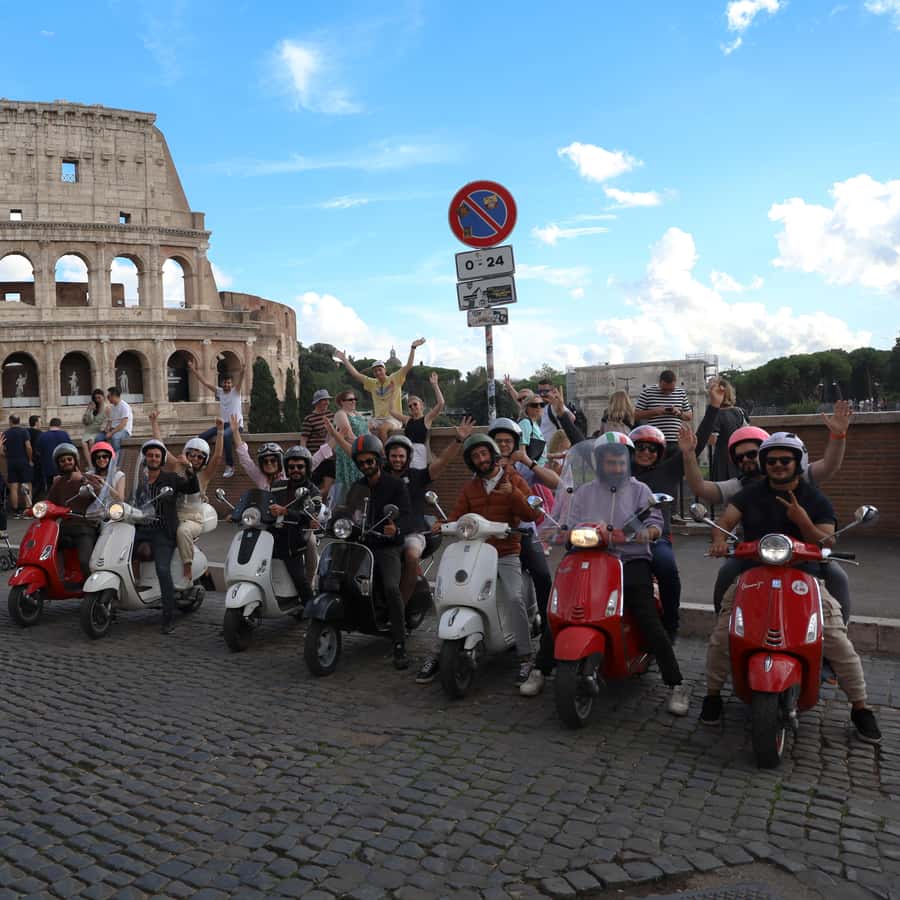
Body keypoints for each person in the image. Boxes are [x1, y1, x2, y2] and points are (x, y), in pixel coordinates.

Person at [700, 432, 881, 744]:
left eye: (785, 460)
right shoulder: (750, 493)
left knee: (836, 637)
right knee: (722, 634)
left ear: (798, 462)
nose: (778, 465)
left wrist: (802, 520)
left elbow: (827, 540)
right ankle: (713, 695)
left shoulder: (814, 498)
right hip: (754, 573)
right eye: (771, 461)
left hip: (804, 575)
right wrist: (718, 540)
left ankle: (860, 707)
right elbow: (727, 521)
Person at [681, 401, 854, 617]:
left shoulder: (802, 480)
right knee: (727, 573)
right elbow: (705, 495)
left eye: (752, 454)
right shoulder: (743, 489)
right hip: (754, 554)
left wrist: (838, 436)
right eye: (740, 457)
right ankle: (724, 619)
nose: (746, 460)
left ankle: (839, 624)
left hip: (804, 557)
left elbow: (830, 466)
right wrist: (688, 456)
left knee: (837, 577)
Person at [562, 432, 691, 715]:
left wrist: (647, 532)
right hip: (590, 558)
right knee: (562, 606)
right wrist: (568, 534)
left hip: (630, 560)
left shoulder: (640, 491)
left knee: (645, 613)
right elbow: (570, 526)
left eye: (621, 462)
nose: (617, 468)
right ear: (600, 463)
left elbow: (655, 521)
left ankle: (676, 683)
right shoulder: (584, 493)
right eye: (610, 462)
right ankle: (541, 667)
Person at [430, 434, 541, 686]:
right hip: (474, 552)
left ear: (492, 454)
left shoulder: (514, 479)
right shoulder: (471, 488)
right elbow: (457, 515)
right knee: (447, 593)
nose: (481, 459)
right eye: (475, 456)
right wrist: (442, 524)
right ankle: (438, 652)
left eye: (484, 454)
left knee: (514, 597)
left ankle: (525, 657)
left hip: (506, 552)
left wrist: (513, 494)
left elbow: (531, 514)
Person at [627, 379, 724, 638]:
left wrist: (713, 406)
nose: (645, 452)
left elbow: (697, 444)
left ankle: (671, 623)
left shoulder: (668, 470)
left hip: (655, 539)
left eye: (651, 448)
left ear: (659, 452)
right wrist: (562, 416)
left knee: (667, 568)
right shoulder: (618, 471)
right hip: (619, 538)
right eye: (640, 448)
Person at [475, 418, 560, 697]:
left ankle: (551, 642)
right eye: (498, 442)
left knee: (544, 579)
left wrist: (529, 461)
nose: (502, 446)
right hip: (492, 539)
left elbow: (556, 483)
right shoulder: (482, 468)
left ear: (515, 444)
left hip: (523, 536)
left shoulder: (523, 468)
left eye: (507, 442)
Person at [336, 434, 413, 670]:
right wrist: (333, 521)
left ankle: (399, 642)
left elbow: (408, 517)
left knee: (391, 587)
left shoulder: (396, 485)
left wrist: (395, 529)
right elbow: (346, 510)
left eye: (370, 461)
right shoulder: (357, 487)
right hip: (360, 543)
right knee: (337, 574)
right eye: (362, 462)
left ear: (379, 460)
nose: (366, 466)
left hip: (386, 546)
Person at [131, 439, 199, 634]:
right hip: (142, 529)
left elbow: (191, 488)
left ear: (161, 460)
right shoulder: (141, 481)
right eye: (150, 455)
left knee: (162, 569)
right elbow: (133, 502)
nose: (153, 458)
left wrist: (189, 469)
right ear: (145, 458)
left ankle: (168, 617)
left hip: (163, 531)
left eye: (157, 456)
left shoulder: (170, 479)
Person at [334, 338, 426, 444]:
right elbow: (356, 375)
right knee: (362, 428)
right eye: (375, 371)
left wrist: (413, 348)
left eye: (379, 370)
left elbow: (409, 366)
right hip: (377, 419)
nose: (377, 373)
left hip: (394, 418)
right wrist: (345, 360)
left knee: (382, 429)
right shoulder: (373, 383)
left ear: (384, 370)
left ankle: (386, 454)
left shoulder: (394, 378)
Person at [269, 445, 320, 604]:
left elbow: (312, 515)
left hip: (298, 534)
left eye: (300, 466)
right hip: (276, 532)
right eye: (291, 467)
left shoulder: (313, 491)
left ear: (307, 467)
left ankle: (309, 599)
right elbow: (266, 504)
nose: (295, 470)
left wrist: (286, 512)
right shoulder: (278, 485)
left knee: (300, 575)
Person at [46, 443, 98, 581]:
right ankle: (59, 579)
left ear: (75, 460)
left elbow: (97, 495)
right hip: (63, 528)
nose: (66, 463)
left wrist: (83, 480)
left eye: (69, 459)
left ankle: (92, 591)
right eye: (62, 461)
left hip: (84, 526)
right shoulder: (58, 483)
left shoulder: (86, 477)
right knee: (46, 552)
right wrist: (37, 508)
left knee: (85, 561)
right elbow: (50, 503)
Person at [188, 359, 245, 478]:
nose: (227, 385)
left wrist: (243, 370)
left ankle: (230, 465)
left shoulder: (236, 392)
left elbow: (241, 380)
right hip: (223, 425)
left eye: (229, 383)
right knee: (201, 438)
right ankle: (202, 462)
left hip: (236, 426)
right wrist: (192, 368)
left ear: (232, 384)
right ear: (221, 384)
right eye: (225, 383)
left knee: (226, 436)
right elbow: (204, 382)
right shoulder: (220, 392)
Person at [327, 390, 368, 510]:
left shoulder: (357, 414)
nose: (354, 401)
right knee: (349, 485)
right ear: (341, 402)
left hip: (362, 450)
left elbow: (366, 431)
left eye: (355, 399)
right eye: (350, 399)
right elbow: (348, 433)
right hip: (349, 453)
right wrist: (364, 445)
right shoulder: (340, 414)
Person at [634, 370, 692, 453]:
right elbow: (635, 415)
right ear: (659, 382)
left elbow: (689, 416)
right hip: (656, 440)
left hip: (677, 441)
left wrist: (679, 413)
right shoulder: (647, 392)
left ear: (675, 383)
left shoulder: (681, 393)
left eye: (671, 389)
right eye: (664, 389)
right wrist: (655, 412)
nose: (667, 392)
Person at [401, 372, 445, 470]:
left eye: (415, 404)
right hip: (408, 457)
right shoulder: (407, 420)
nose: (413, 407)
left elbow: (441, 403)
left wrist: (435, 385)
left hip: (422, 457)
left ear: (421, 405)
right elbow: (391, 411)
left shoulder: (427, 419)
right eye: (410, 406)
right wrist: (393, 391)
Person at [708, 378, 747, 482]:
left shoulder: (717, 414)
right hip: (739, 455)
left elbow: (712, 441)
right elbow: (747, 433)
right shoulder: (740, 412)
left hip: (722, 458)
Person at [232, 416, 284, 489]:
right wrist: (235, 432)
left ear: (279, 461)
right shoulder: (260, 477)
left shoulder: (287, 477)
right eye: (265, 461)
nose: (269, 463)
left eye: (273, 460)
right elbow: (245, 460)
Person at [301, 389, 335, 498]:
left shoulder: (331, 415)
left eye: (328, 400)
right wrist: (305, 457)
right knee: (311, 486)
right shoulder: (309, 419)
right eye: (325, 400)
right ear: (318, 402)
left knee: (327, 490)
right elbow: (303, 439)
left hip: (329, 459)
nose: (327, 403)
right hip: (315, 459)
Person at [2, 414, 33, 516]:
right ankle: (28, 509)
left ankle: (15, 511)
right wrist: (30, 459)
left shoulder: (6, 433)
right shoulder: (24, 432)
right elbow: (28, 447)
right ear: (19, 421)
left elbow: (2, 451)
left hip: (11, 462)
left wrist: (7, 455)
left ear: (10, 421)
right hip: (23, 460)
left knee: (14, 487)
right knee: (26, 484)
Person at [83, 441, 126, 515]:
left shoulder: (119, 475)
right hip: (93, 514)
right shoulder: (89, 475)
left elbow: (120, 499)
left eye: (105, 456)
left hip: (113, 514)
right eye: (97, 457)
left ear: (110, 458)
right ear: (94, 460)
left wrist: (104, 483)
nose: (101, 459)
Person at [37, 418, 73, 488]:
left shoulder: (42, 436)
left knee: (51, 490)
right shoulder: (64, 434)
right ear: (59, 425)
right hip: (64, 467)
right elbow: (71, 449)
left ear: (50, 425)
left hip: (48, 468)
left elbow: (38, 452)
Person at [100, 386, 133, 455]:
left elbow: (123, 424)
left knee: (115, 438)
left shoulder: (124, 406)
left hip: (124, 430)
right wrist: (106, 429)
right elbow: (110, 421)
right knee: (98, 438)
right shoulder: (112, 407)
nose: (107, 399)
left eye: (108, 396)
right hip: (113, 429)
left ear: (114, 396)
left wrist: (111, 433)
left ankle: (116, 460)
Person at [81, 389, 107, 460]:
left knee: (91, 441)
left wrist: (104, 429)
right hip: (89, 430)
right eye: (96, 398)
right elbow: (85, 421)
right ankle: (90, 465)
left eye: (99, 397)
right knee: (83, 443)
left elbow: (108, 422)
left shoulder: (107, 408)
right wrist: (90, 410)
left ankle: (95, 462)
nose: (97, 399)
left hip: (98, 431)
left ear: (103, 397)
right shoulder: (92, 406)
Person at [28, 415, 44, 499]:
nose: (41, 424)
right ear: (36, 423)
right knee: (40, 484)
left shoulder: (26, 432)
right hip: (37, 462)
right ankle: (34, 501)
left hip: (26, 461)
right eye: (40, 422)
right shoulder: (39, 434)